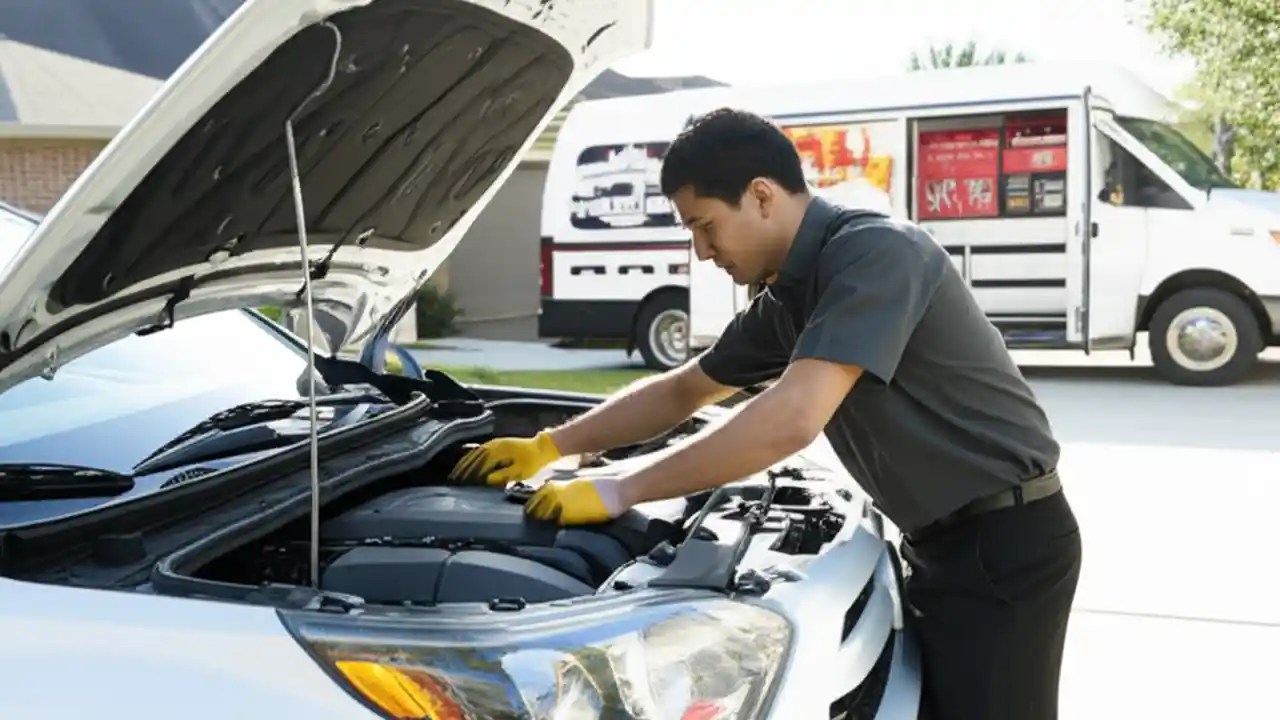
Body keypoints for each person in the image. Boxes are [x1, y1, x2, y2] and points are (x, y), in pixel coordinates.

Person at [448, 108, 1082, 719]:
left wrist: (623, 487)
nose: (700, 252)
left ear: (760, 195)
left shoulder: (876, 254)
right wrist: (552, 445)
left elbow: (792, 417)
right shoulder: (791, 295)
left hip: (1004, 545)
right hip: (944, 542)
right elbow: (684, 390)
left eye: (704, 225)